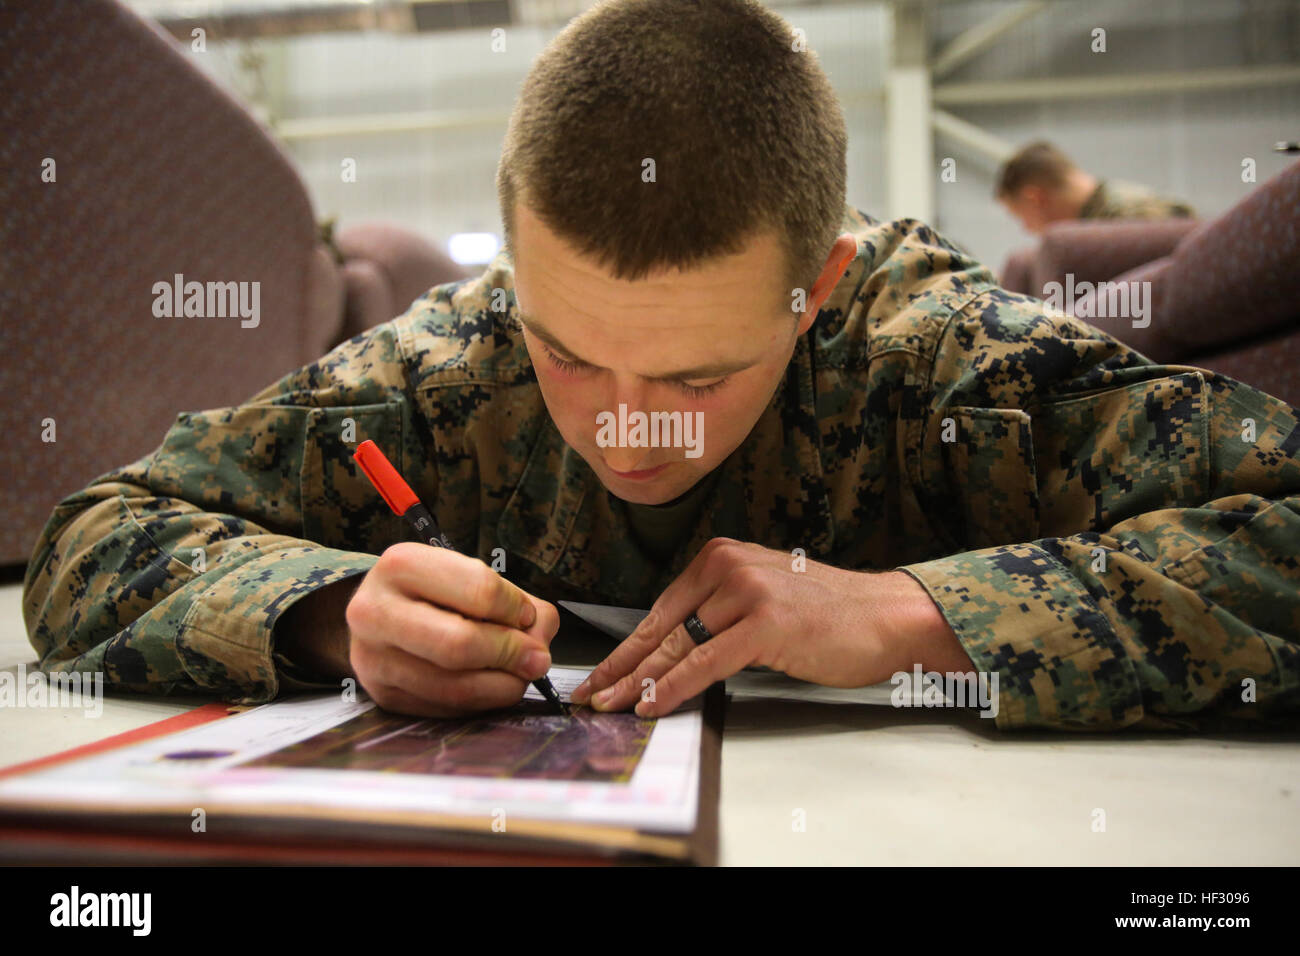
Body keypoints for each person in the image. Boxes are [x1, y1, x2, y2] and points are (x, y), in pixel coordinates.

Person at [24, 0, 1299, 732]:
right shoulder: (450, 364)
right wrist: (330, 610)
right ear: (513, 280)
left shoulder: (946, 364)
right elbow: (94, 532)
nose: (632, 436)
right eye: (569, 355)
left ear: (820, 298)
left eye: (698, 379)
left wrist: (918, 614)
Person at [995, 140, 1196, 234]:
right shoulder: (1102, 220)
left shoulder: (1128, 217)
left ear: (1035, 199)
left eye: (1022, 218)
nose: (1028, 229)